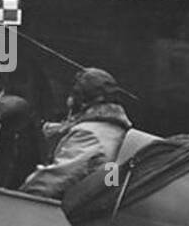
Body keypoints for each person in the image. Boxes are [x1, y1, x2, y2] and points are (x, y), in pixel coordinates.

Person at [20, 68, 132, 199]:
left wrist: (18, 197)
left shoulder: (88, 134)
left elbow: (52, 181)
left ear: (80, 100)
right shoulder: (116, 130)